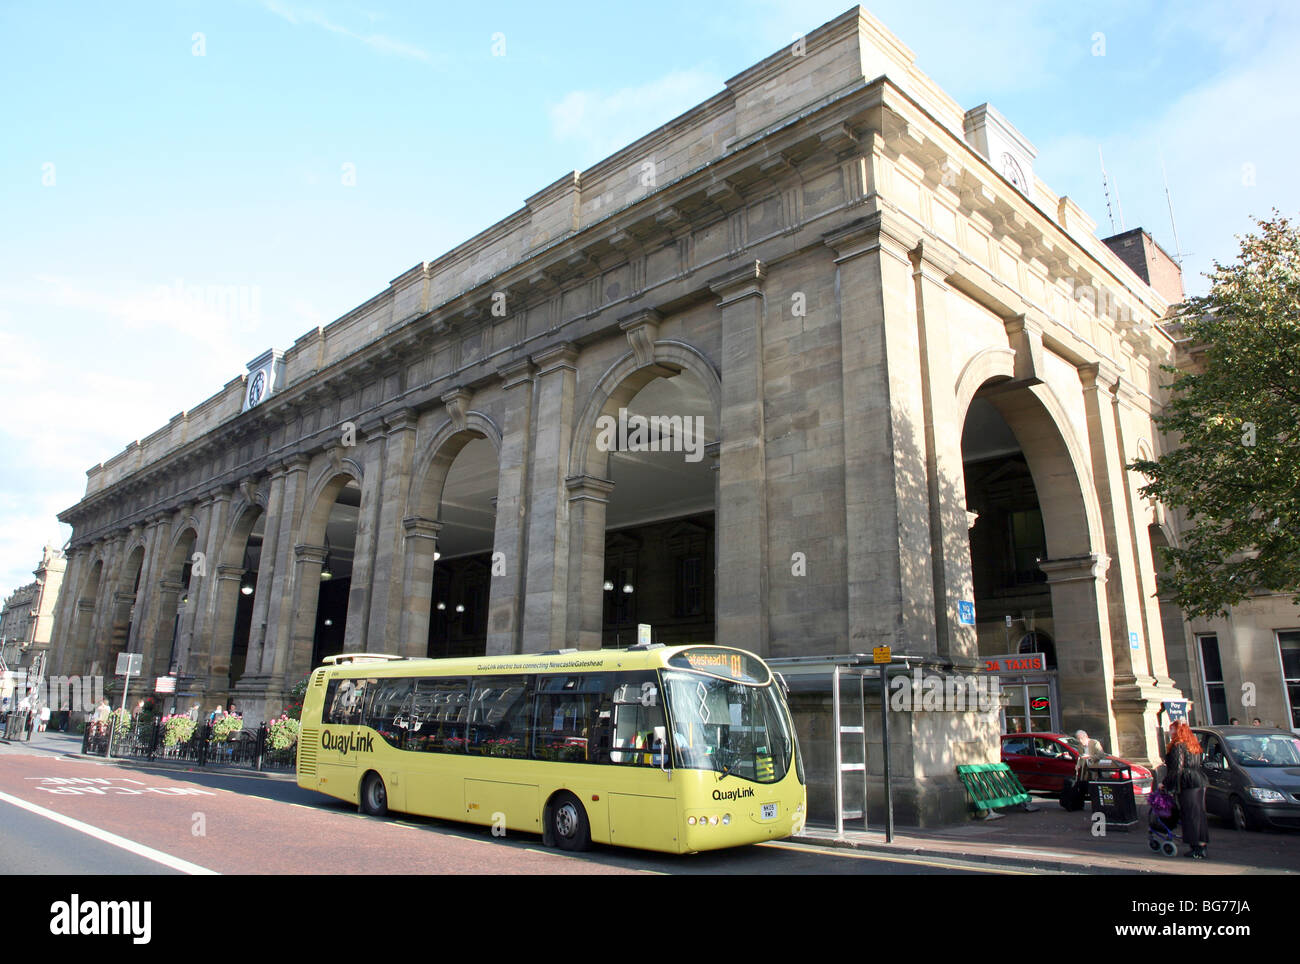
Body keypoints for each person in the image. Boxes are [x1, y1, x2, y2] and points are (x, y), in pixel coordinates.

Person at [1163, 721, 1209, 859]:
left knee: (1190, 815)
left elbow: (1177, 768)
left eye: (1171, 730)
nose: (1170, 732)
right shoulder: (1193, 745)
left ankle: (1196, 847)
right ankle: (1202, 844)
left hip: (1187, 782)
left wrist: (1165, 783)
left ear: (1177, 731)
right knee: (1199, 813)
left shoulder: (1178, 746)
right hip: (1199, 781)